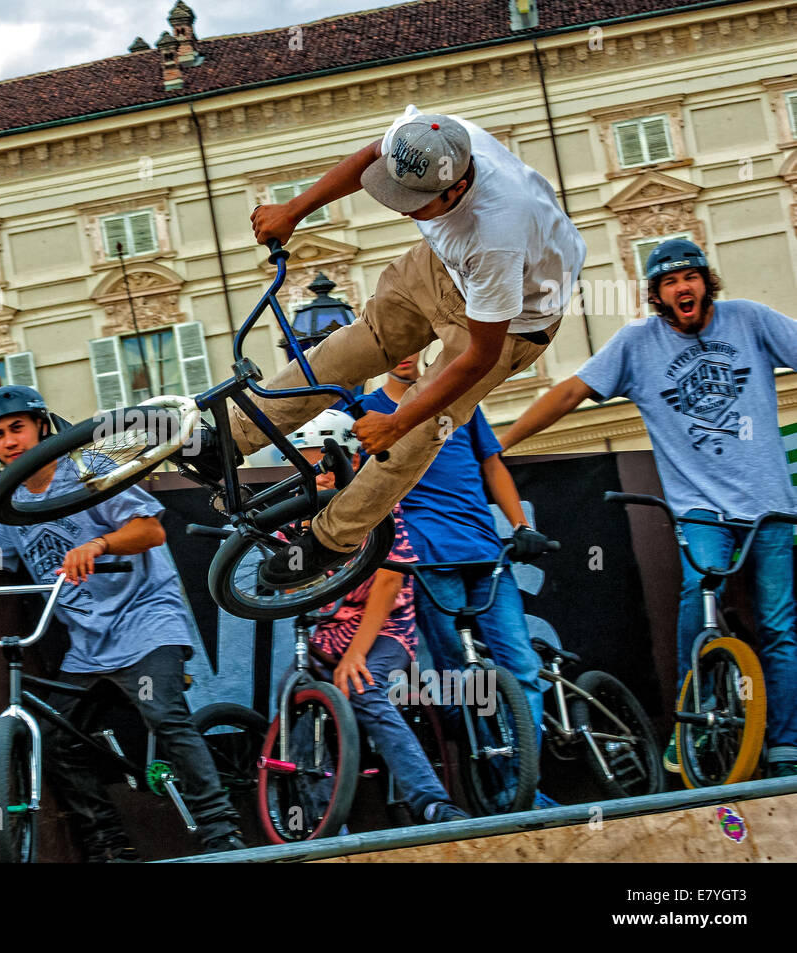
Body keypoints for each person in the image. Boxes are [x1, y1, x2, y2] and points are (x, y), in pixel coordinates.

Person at [194, 103, 585, 589]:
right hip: (440, 266)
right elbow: (366, 158)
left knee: (421, 428)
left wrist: (396, 421)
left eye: (414, 202)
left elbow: (478, 356)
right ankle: (229, 439)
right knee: (349, 349)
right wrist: (292, 212)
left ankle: (330, 543)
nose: (400, 208)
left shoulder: (497, 232)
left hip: (511, 319)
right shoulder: (428, 136)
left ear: (457, 188)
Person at [0, 385, 245, 860]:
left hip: (145, 619)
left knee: (164, 715)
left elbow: (148, 529)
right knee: (54, 740)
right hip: (87, 643)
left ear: (42, 427)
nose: (9, 441)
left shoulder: (91, 470)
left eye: (17, 428)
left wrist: (100, 545)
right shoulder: (5, 501)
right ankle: (109, 847)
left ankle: (222, 836)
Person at [502, 238, 797, 777]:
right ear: (657, 295)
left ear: (706, 282)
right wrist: (503, 445)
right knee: (696, 592)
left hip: (770, 506)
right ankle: (694, 720)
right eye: (668, 282)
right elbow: (569, 392)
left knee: (779, 626)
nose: (681, 289)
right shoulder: (638, 344)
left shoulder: (750, 321)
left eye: (689, 278)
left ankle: (785, 744)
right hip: (702, 508)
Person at [357, 353, 556, 807]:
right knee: (462, 684)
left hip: (488, 555)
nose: (406, 354)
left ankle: (520, 786)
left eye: (415, 343)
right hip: (426, 562)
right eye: (396, 345)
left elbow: (492, 464)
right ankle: (502, 787)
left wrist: (520, 525)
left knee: (522, 668)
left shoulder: (461, 398)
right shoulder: (365, 410)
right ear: (385, 352)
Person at [285, 411, 469, 824]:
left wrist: (356, 655)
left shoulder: (379, 500)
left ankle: (433, 803)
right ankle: (323, 826)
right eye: (307, 466)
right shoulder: (298, 513)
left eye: (322, 465)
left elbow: (388, 582)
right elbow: (283, 582)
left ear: (347, 459)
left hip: (383, 631)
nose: (317, 476)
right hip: (327, 635)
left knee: (363, 687)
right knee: (293, 699)